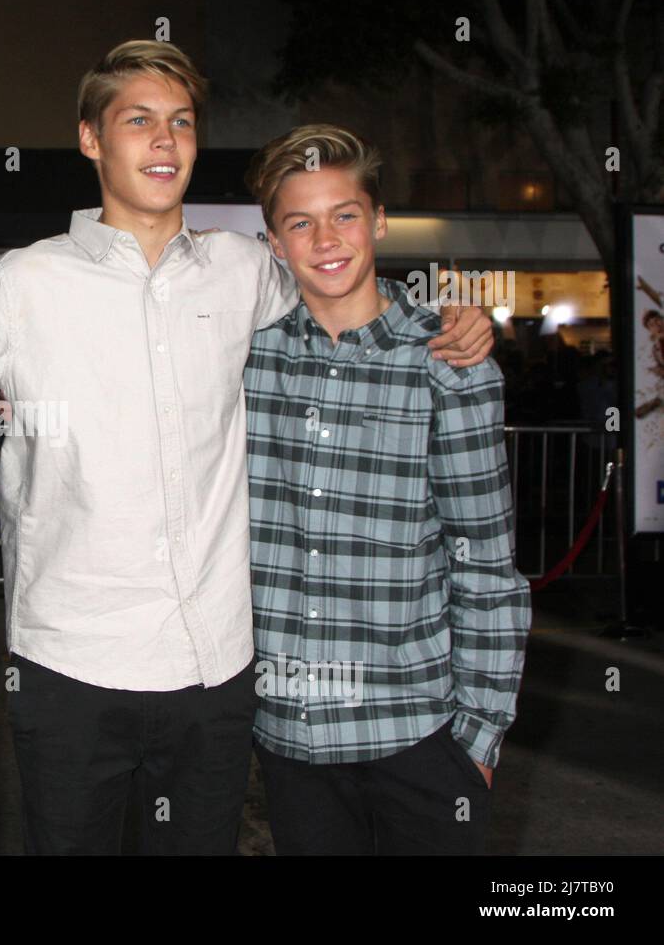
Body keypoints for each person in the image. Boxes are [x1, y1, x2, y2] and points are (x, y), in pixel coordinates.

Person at [0, 42, 494, 854]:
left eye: (180, 122)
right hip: (71, 669)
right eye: (137, 121)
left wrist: (446, 319)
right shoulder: (20, 284)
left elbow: (340, 281)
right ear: (89, 139)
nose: (163, 141)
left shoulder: (243, 270)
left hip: (214, 677)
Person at [242, 124, 531, 854]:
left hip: (418, 741)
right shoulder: (243, 357)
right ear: (274, 243)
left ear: (377, 220)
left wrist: (479, 743)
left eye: (344, 214)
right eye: (299, 222)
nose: (325, 238)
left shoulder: (448, 362)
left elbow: (488, 570)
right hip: (288, 742)